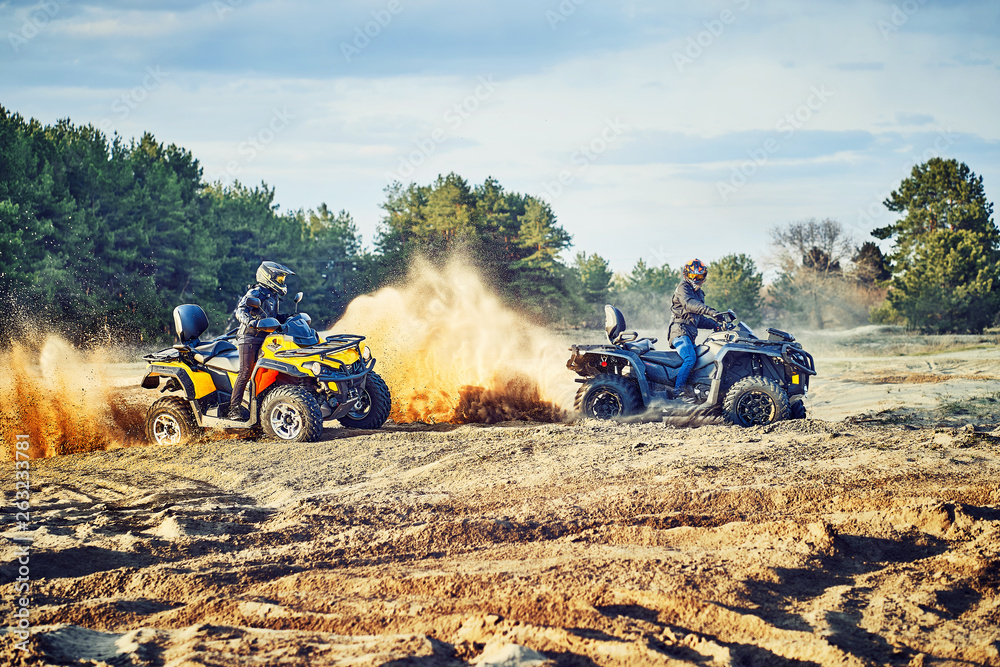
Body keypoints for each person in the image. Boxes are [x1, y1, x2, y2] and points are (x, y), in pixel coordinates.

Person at [228, 261, 295, 420]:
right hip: (249, 337)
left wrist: (289, 317)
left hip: (266, 337)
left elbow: (273, 317)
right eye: (279, 278)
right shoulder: (257, 291)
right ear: (268, 276)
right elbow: (241, 310)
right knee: (246, 372)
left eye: (282, 279)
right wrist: (251, 322)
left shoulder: (273, 295)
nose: (281, 282)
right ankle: (233, 409)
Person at [667, 258, 723, 402]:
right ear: (687, 275)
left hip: (689, 334)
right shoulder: (683, 288)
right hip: (679, 332)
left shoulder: (699, 293)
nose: (697, 279)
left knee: (703, 359)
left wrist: (715, 325)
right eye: (694, 276)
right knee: (690, 358)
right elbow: (689, 304)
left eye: (700, 276)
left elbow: (698, 319)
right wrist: (711, 311)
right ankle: (678, 391)